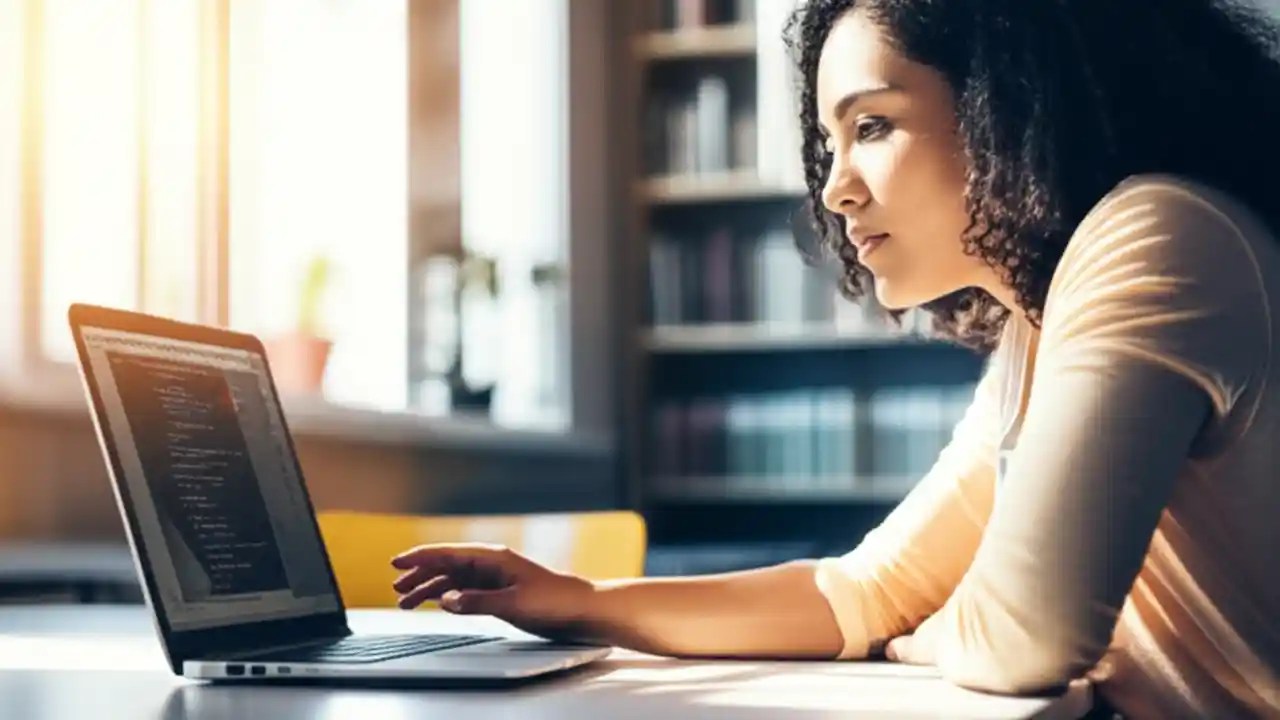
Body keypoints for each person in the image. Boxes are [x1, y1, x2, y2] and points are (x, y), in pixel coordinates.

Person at [390, 2, 1280, 717]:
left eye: (875, 125)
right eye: (832, 140)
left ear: (1007, 100)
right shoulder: (1038, 327)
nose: (834, 185)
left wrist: (920, 634)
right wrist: (584, 600)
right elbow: (866, 592)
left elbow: (1023, 642)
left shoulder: (1157, 234)